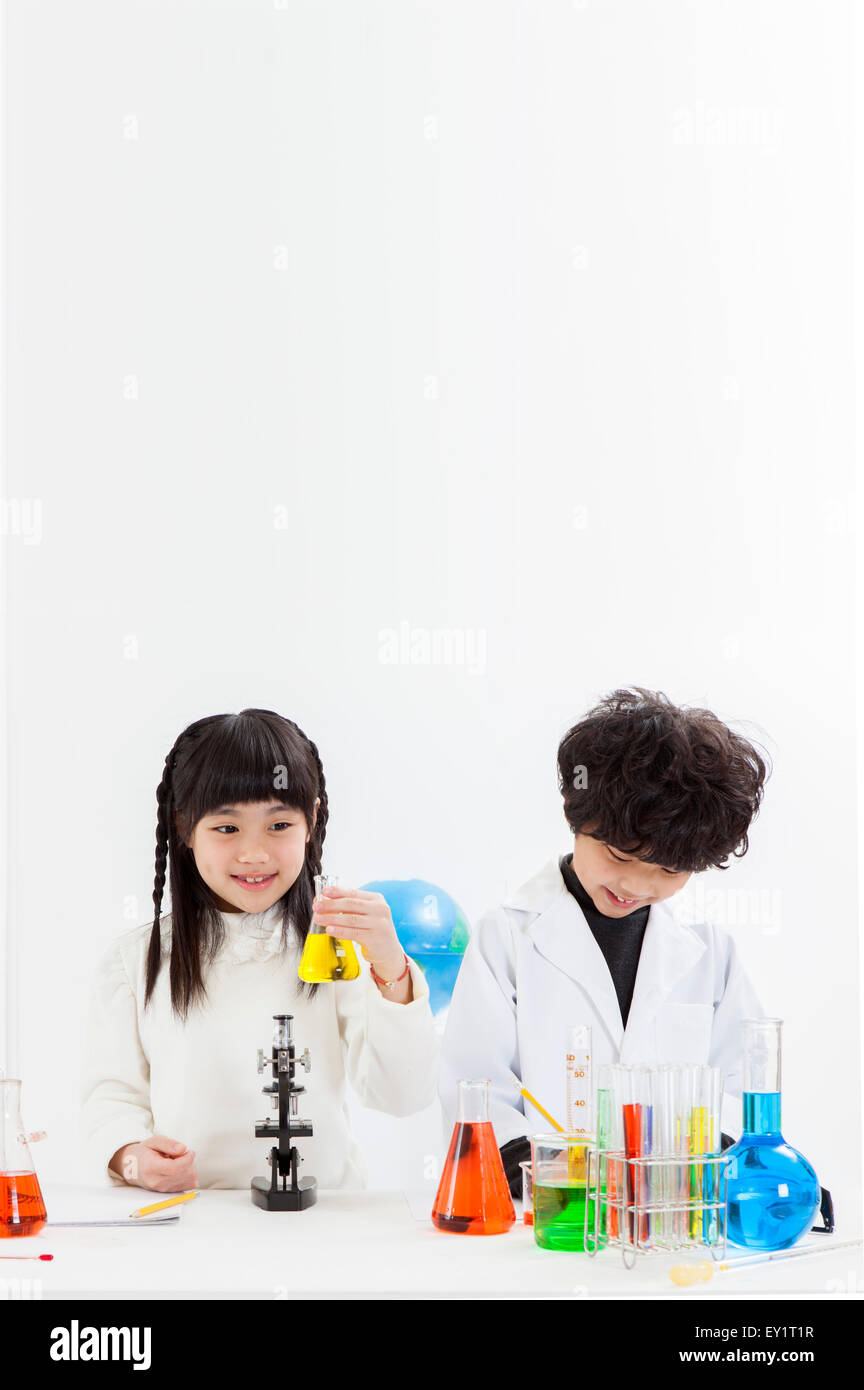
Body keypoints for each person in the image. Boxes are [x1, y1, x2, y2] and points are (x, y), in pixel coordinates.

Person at [80, 708, 438, 1191]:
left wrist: (389, 964)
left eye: (279, 826)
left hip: (324, 1224)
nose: (254, 854)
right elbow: (112, 1098)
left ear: (311, 821)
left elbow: (402, 1095)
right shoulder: (135, 961)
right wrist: (131, 1157)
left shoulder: (334, 949)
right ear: (184, 827)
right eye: (227, 829)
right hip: (191, 1224)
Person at [439, 687, 769, 1197]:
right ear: (577, 815)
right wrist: (546, 1174)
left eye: (669, 868)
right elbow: (475, 1086)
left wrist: (750, 1173)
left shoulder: (711, 954)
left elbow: (738, 1088)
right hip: (550, 1218)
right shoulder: (506, 937)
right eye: (617, 854)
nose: (636, 886)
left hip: (669, 1213)